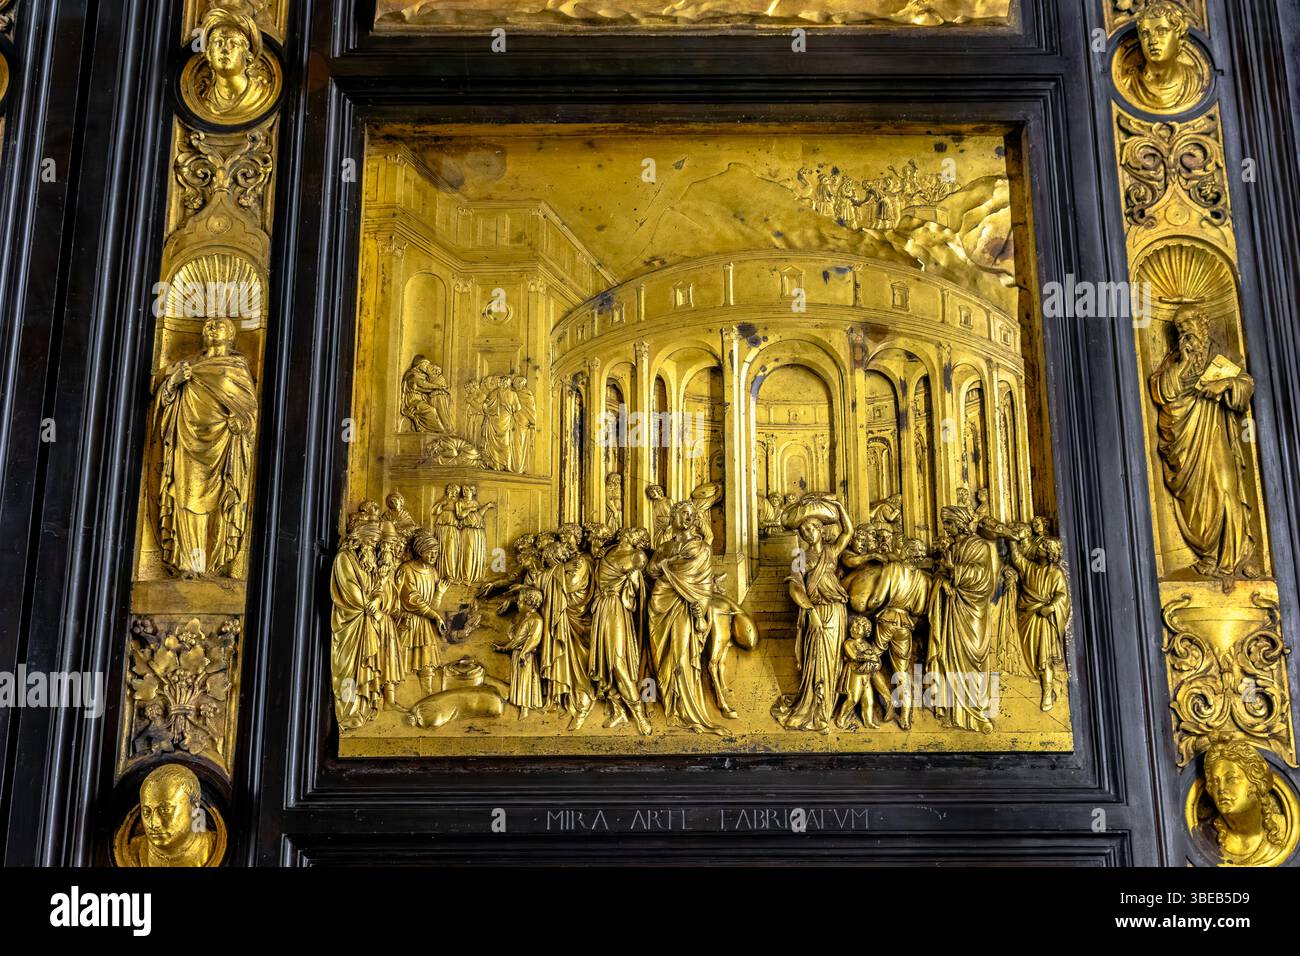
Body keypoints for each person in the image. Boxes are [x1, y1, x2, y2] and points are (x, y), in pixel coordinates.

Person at [1149, 306, 1258, 580]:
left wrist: (1227, 385)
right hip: (1186, 439)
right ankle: (1209, 557)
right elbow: (1163, 392)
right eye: (1179, 328)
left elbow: (1245, 382)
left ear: (1202, 323)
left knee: (1225, 491)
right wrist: (1183, 364)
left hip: (1216, 433)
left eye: (1188, 323)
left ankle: (1232, 560)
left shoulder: (1219, 354)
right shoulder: (1175, 359)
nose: (1185, 331)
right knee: (1198, 502)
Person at [152, 317, 256, 577]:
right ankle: (188, 564)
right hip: (185, 443)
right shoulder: (187, 366)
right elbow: (164, 401)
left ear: (231, 334)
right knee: (185, 498)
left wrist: (239, 422)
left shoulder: (236, 367)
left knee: (220, 499)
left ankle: (212, 564)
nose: (211, 328)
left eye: (219, 325)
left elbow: (249, 410)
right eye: (208, 325)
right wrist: (174, 381)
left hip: (221, 446)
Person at [773, 495, 854, 734]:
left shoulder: (831, 551)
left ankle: (826, 710)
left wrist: (839, 506)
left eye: (811, 528)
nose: (807, 533)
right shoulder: (799, 557)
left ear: (820, 529)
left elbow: (847, 531)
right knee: (817, 662)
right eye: (803, 530)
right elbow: (795, 586)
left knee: (833, 662)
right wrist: (810, 612)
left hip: (836, 612)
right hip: (815, 612)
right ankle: (815, 710)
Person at [647, 501, 724, 734]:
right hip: (660, 608)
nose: (688, 518)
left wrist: (699, 609)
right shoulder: (664, 547)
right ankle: (668, 707)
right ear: (673, 517)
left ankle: (688, 712)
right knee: (660, 661)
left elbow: (703, 586)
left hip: (685, 607)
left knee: (681, 658)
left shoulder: (702, 549)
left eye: (692, 514)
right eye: (683, 514)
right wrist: (664, 564)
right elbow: (651, 570)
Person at [927, 502, 1000, 733]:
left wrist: (954, 571)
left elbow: (983, 577)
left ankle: (977, 712)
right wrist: (945, 582)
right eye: (944, 524)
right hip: (952, 610)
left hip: (972, 611)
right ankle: (954, 713)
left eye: (948, 524)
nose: (946, 529)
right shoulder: (952, 548)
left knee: (971, 659)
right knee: (950, 659)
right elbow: (940, 573)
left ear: (958, 523)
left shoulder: (979, 545)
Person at [589, 527, 653, 735]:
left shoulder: (637, 556)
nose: (632, 532)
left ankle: (639, 714)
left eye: (638, 533)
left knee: (618, 661)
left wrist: (631, 582)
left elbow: (637, 588)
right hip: (601, 607)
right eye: (633, 530)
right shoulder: (609, 551)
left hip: (617, 608)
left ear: (639, 541)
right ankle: (618, 711)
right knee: (606, 663)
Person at [1008, 532, 1071, 711]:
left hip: (1044, 619)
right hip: (1028, 617)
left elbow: (1062, 595)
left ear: (1051, 552)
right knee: (1032, 653)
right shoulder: (1031, 568)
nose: (1039, 549)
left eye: (1043, 547)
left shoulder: (1056, 573)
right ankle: (1043, 684)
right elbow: (1017, 560)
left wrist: (1051, 607)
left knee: (1044, 657)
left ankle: (1046, 692)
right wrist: (1012, 541)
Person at [120, 764, 219, 867]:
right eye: (147, 812)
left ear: (194, 807)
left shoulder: (213, 846)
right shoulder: (134, 852)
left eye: (165, 810)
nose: (154, 823)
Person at [397, 529, 446, 693]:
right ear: (419, 551)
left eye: (436, 553)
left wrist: (439, 592)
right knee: (401, 658)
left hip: (425, 623)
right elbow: (413, 600)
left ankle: (428, 694)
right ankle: (395, 697)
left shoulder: (433, 572)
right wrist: (435, 616)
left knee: (426, 660)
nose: (433, 556)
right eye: (429, 552)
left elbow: (433, 606)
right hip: (409, 621)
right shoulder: (407, 569)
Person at [494, 587, 544, 720]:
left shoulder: (536, 620)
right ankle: (523, 706)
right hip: (518, 653)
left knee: (526, 680)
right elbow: (517, 639)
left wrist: (524, 652)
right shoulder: (526, 618)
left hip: (525, 656)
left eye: (520, 601)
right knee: (520, 679)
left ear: (528, 603)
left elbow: (534, 639)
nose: (518, 603)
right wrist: (503, 648)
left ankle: (525, 709)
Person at [834, 617, 886, 731]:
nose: (854, 628)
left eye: (858, 627)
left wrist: (874, 659)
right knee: (853, 698)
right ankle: (841, 718)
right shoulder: (848, 643)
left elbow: (875, 658)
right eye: (853, 626)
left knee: (869, 700)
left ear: (866, 631)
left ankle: (868, 721)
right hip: (855, 674)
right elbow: (853, 656)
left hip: (866, 675)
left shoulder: (867, 644)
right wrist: (868, 657)